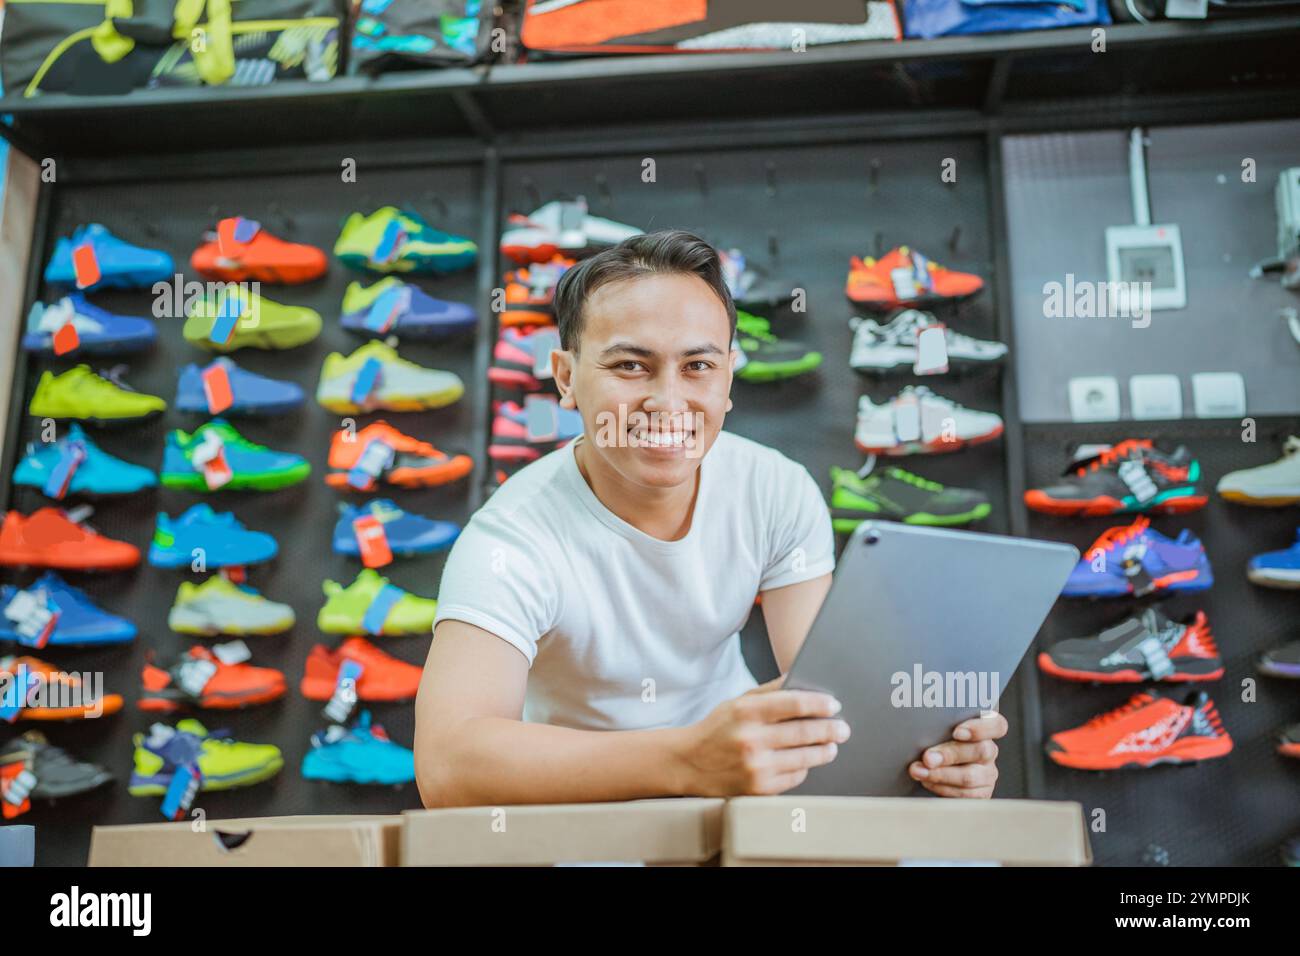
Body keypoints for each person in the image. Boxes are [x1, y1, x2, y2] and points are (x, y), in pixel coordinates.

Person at [414, 229, 1005, 805]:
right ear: (566, 378)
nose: (669, 402)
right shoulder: (510, 538)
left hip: (743, 790)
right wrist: (689, 758)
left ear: (727, 377)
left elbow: (830, 696)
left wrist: (935, 756)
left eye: (697, 366)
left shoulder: (774, 488)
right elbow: (446, 764)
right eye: (630, 366)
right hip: (583, 809)